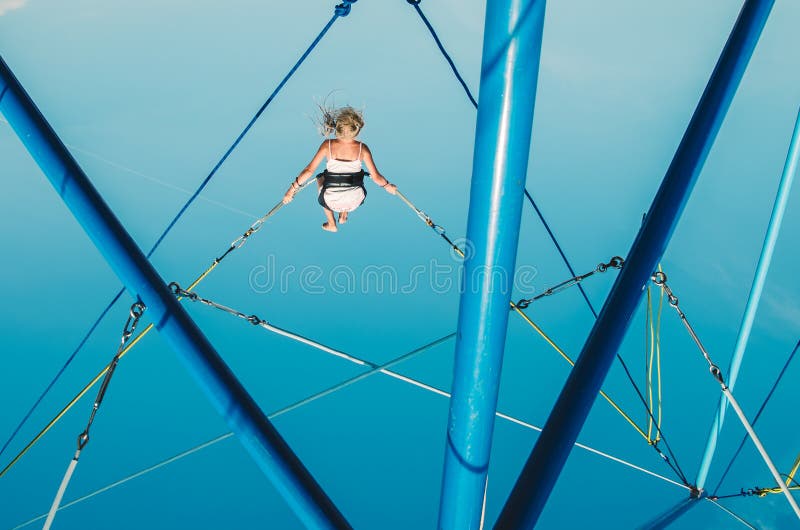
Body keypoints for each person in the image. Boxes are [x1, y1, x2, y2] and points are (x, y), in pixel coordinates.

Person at [282, 106, 397, 232]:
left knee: (320, 177)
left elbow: (309, 170)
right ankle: (344, 212)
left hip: (331, 201)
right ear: (356, 130)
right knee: (352, 180)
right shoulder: (362, 148)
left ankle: (332, 223)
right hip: (355, 199)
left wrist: (291, 191)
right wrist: (387, 186)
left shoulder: (328, 145)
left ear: (337, 128)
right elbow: (376, 177)